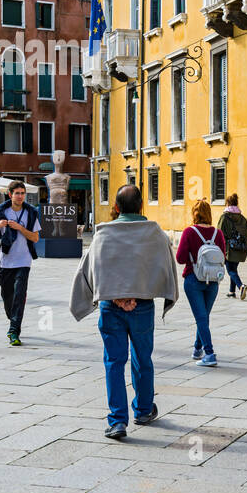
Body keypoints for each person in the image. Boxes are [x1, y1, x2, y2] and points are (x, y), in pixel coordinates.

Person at [70, 184, 179, 440]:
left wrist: (118, 296)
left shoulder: (102, 234)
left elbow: (93, 267)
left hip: (111, 306)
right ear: (141, 206)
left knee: (114, 362)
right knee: (143, 359)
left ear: (116, 207)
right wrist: (138, 292)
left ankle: (118, 421)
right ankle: (142, 410)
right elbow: (163, 265)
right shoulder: (155, 234)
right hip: (142, 305)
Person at [0, 181, 40, 346]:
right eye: (17, 193)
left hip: (24, 261)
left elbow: (35, 238)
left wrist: (20, 228)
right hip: (5, 261)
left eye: (22, 193)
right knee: (7, 297)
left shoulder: (30, 213)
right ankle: (12, 317)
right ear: (10, 195)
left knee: (19, 296)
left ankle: (14, 330)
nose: (20, 196)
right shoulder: (2, 212)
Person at [175, 198, 226, 367]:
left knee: (201, 317)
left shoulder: (189, 232)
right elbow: (223, 256)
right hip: (213, 280)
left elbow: (180, 258)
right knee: (203, 316)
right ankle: (198, 348)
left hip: (193, 279)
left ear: (194, 214)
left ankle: (209, 353)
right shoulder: (217, 233)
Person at [217, 193, 247, 300]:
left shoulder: (224, 217)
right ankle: (231, 291)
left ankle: (241, 286)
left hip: (229, 248)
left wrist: (218, 247)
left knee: (231, 270)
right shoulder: (242, 218)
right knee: (234, 268)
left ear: (227, 203)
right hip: (241, 248)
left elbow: (219, 234)